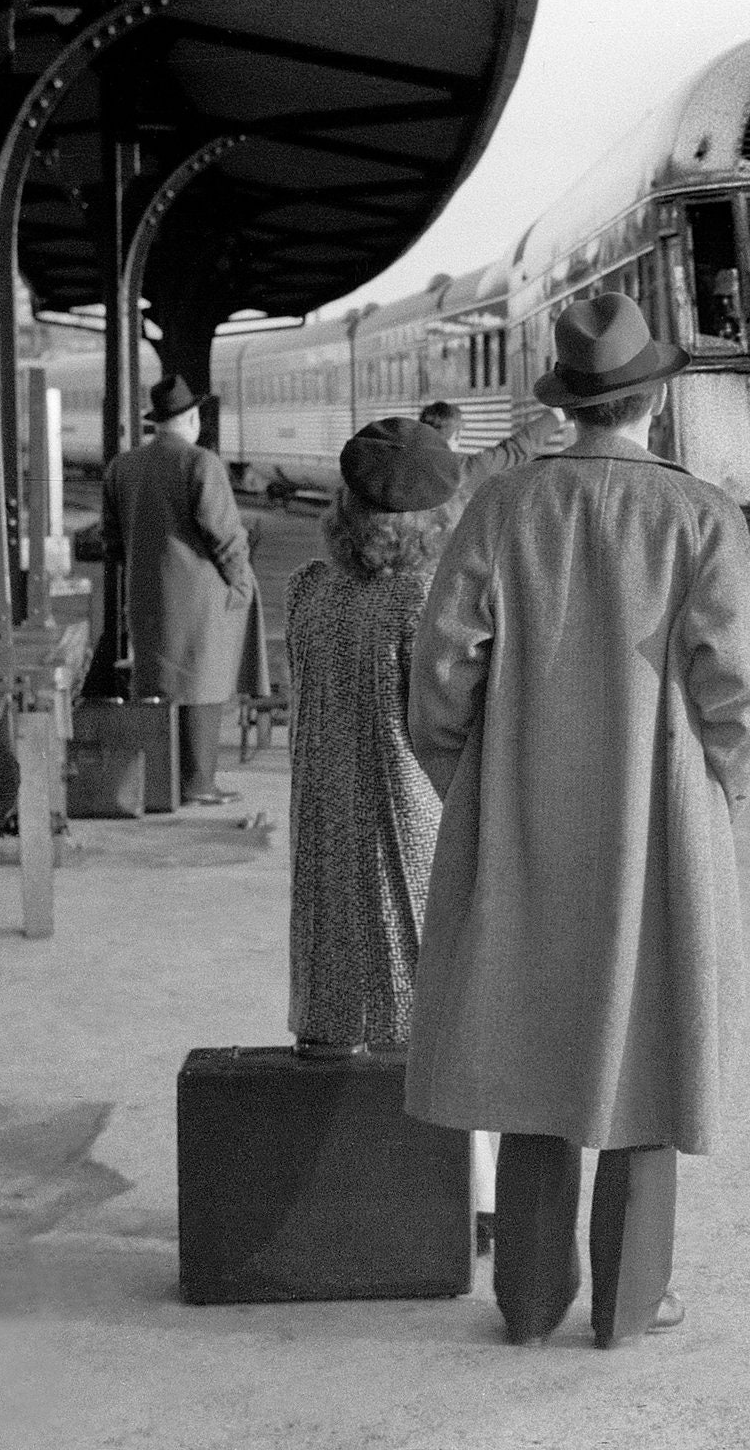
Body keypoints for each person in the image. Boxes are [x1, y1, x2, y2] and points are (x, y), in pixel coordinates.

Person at [406, 292, 750, 1349]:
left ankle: (526, 1302)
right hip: (659, 824)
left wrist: (473, 785)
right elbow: (743, 695)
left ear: (567, 403)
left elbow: (439, 678)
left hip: (519, 811)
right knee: (650, 1050)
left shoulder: (500, 507)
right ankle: (627, 1304)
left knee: (529, 1049)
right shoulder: (700, 515)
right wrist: (715, 802)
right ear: (654, 399)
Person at [283, 418, 464, 1058]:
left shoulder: (310, 592)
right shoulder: (423, 606)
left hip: (326, 827)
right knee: (413, 1011)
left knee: (331, 1003)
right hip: (411, 826)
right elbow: (454, 725)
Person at [101, 376, 256, 806]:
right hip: (201, 596)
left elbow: (110, 541)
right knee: (203, 681)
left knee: (158, 681)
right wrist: (240, 582)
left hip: (146, 594)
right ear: (191, 419)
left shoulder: (122, 466)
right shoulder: (201, 463)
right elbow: (224, 535)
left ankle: (159, 781)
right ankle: (198, 783)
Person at [418, 399, 562, 494]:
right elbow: (515, 449)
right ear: (456, 435)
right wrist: (557, 416)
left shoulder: (403, 464)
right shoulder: (465, 469)